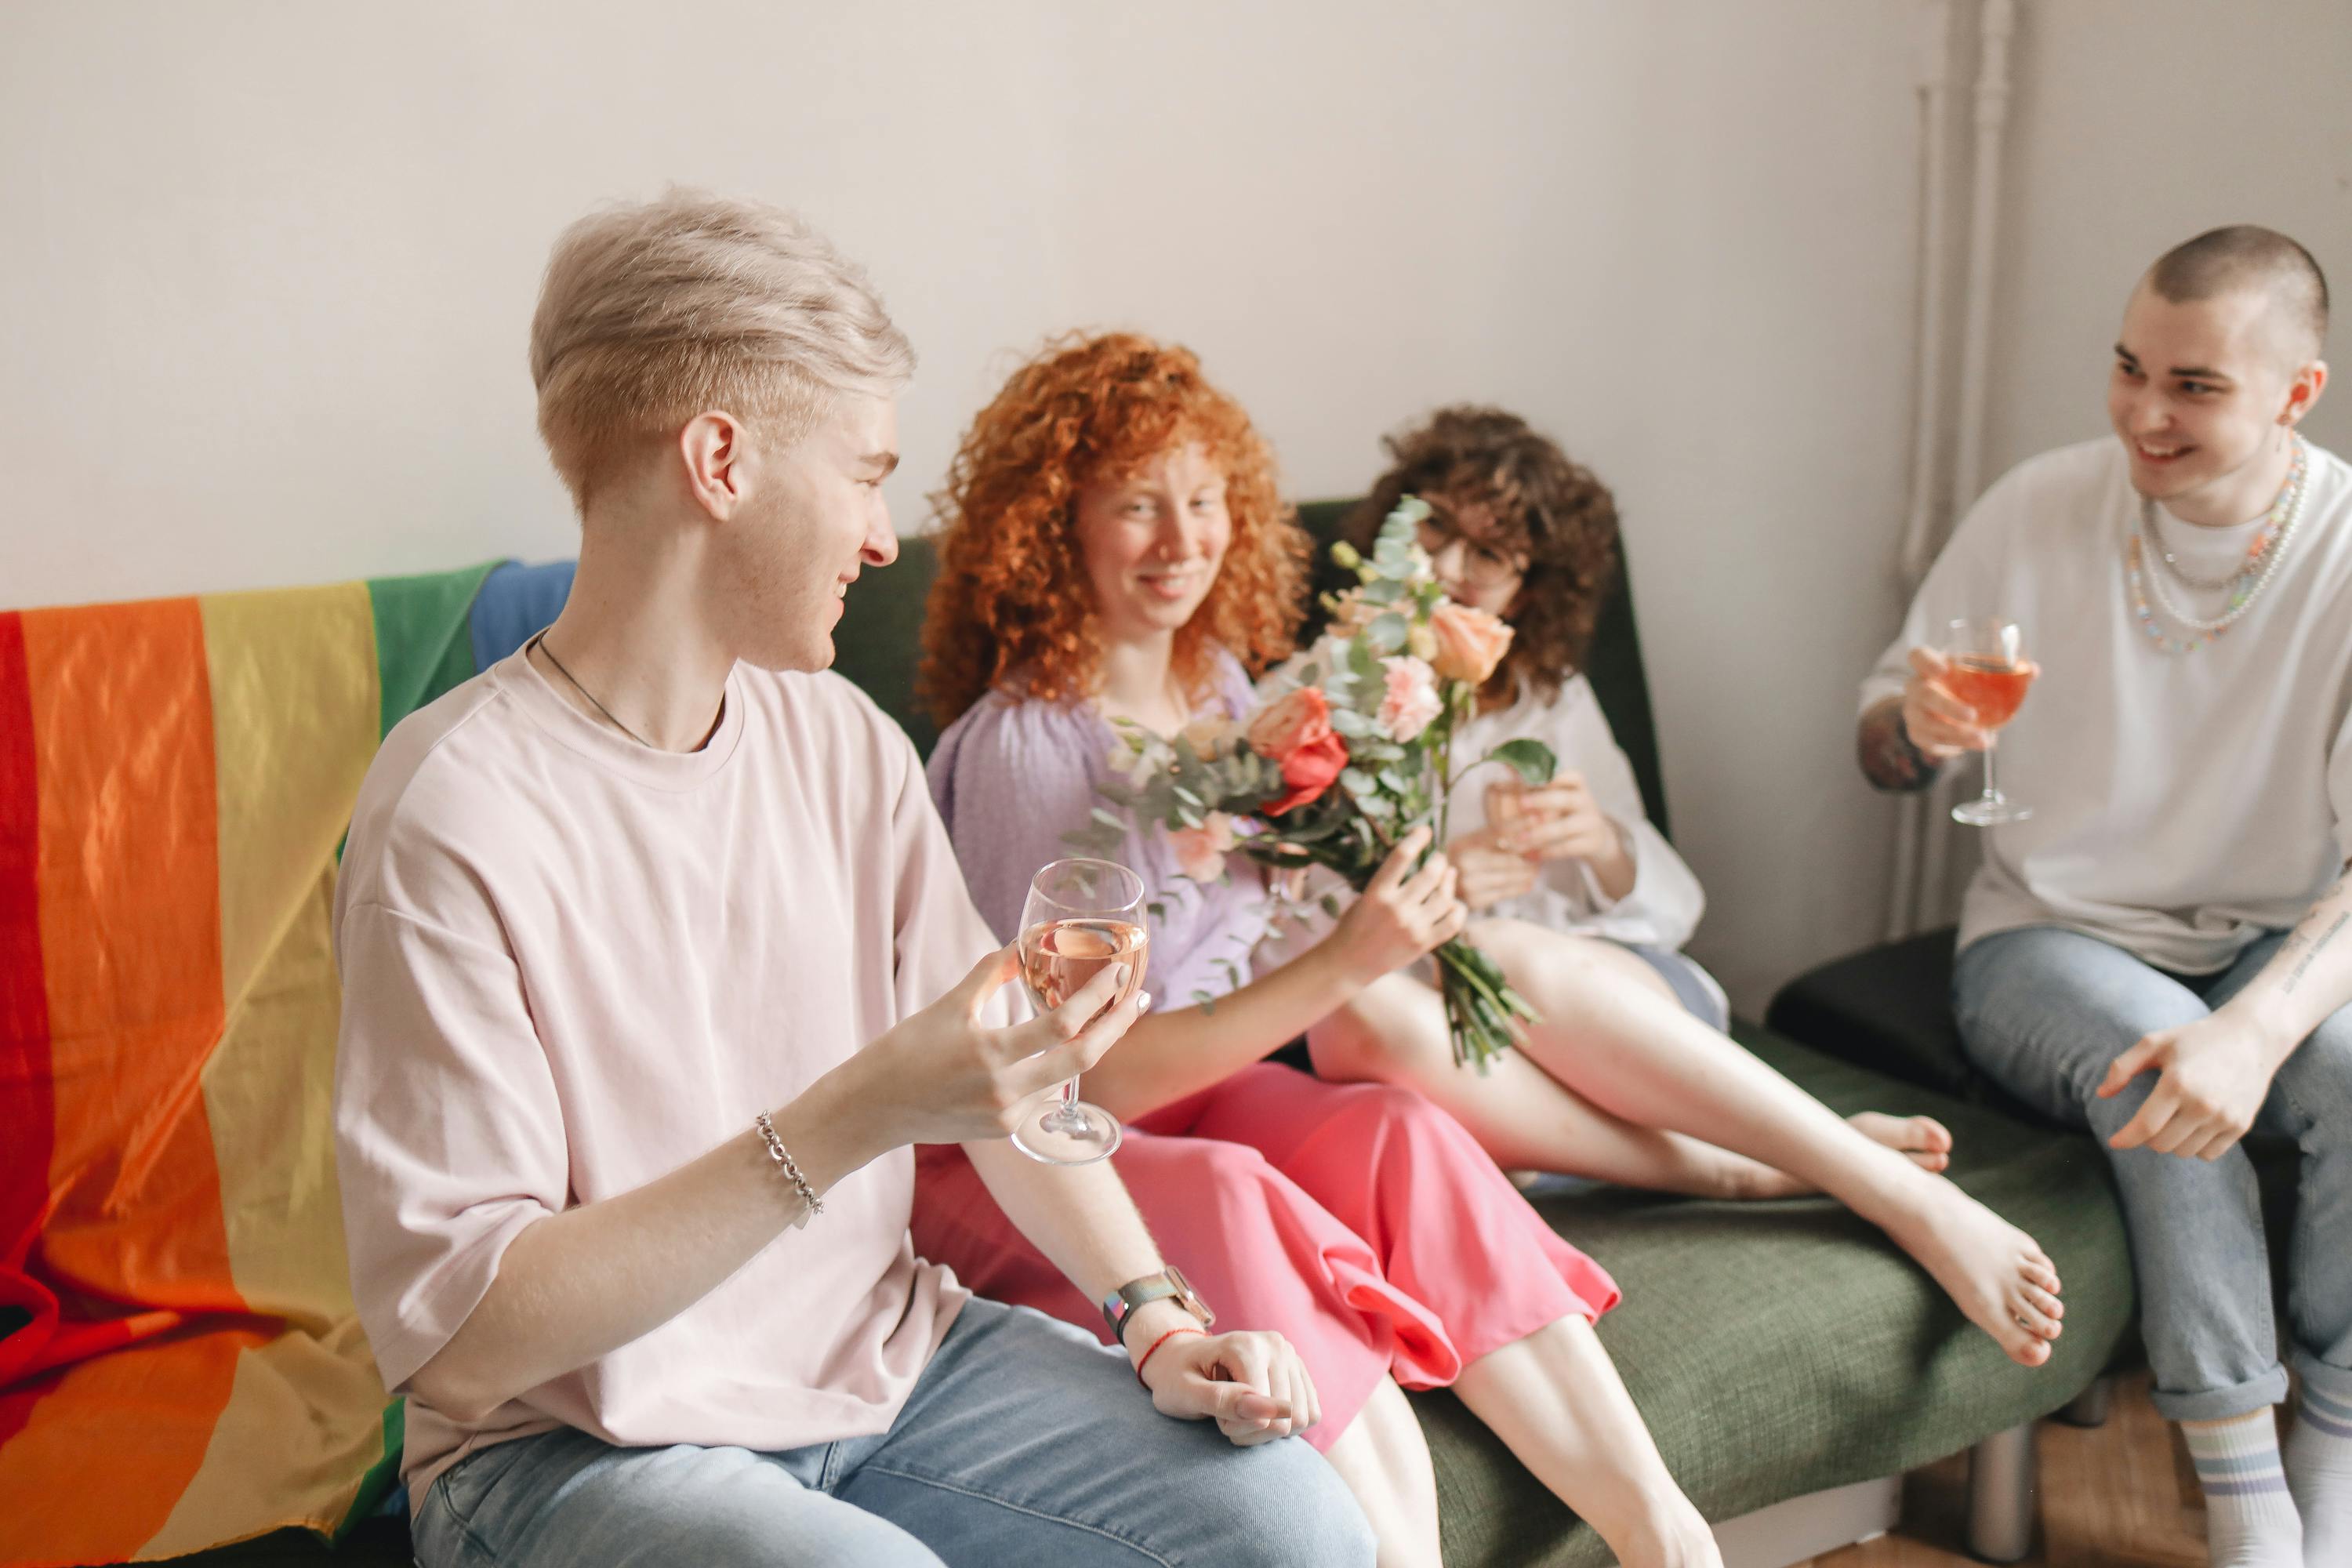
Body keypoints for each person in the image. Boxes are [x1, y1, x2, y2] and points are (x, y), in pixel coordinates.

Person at [330, 194, 1374, 1568]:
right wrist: (844, 1120)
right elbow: (465, 1347)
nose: (884, 536)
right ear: (720, 461)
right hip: (565, 1453)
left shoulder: (842, 742)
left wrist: (1156, 1317)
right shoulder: (455, 810)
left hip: (889, 1366)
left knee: (1290, 1525)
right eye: (866, 472)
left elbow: (1010, 1080)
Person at [1860, 224, 2350, 1568]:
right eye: (2130, 367)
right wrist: (1914, 724)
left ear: (2295, 394)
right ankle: (2247, 1499)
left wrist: (2256, 1031)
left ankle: (2337, 1456)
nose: (2144, 412)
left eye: (2194, 386)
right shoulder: (2039, 504)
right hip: (2048, 935)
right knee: (2156, 1071)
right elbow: (1881, 745)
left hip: (2271, 941)